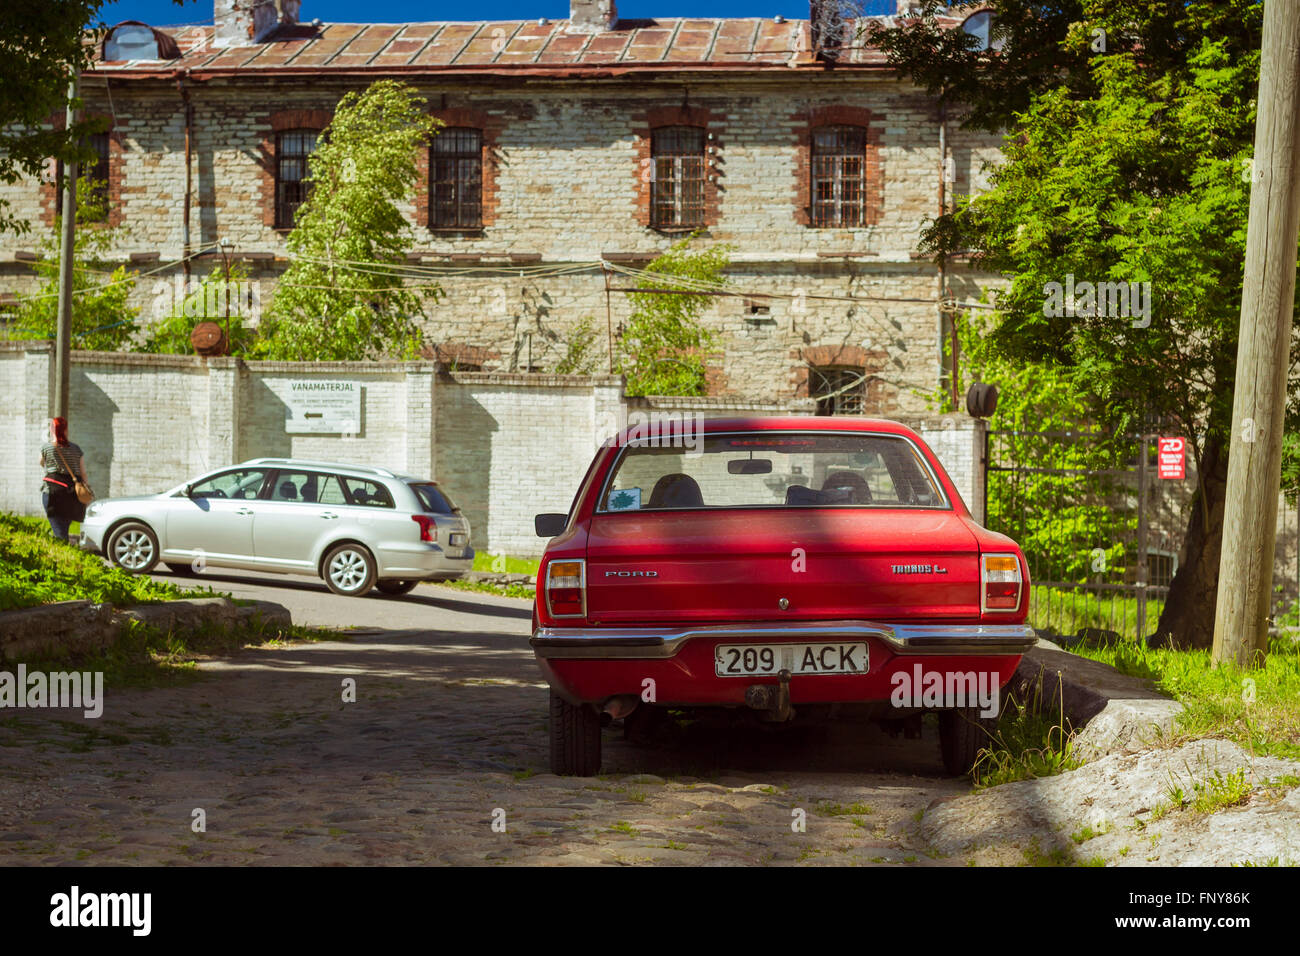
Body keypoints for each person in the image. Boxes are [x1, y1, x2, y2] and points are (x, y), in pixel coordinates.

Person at [40, 417, 89, 542]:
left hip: (53, 493)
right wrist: (85, 490)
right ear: (66, 430)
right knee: (63, 529)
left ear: (52, 430)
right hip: (72, 494)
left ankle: (63, 555)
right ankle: (65, 551)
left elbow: (41, 463)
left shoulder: (46, 448)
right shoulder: (76, 449)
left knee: (59, 532)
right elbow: (83, 473)